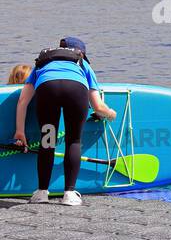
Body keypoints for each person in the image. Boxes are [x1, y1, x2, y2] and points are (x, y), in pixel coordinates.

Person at [11, 37, 116, 206]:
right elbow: (98, 107)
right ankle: (69, 194)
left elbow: (23, 101)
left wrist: (20, 131)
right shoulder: (83, 64)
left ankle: (42, 193)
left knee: (47, 142)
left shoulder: (42, 63)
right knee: (73, 141)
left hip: (47, 90)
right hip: (75, 91)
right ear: (80, 53)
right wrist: (112, 114)